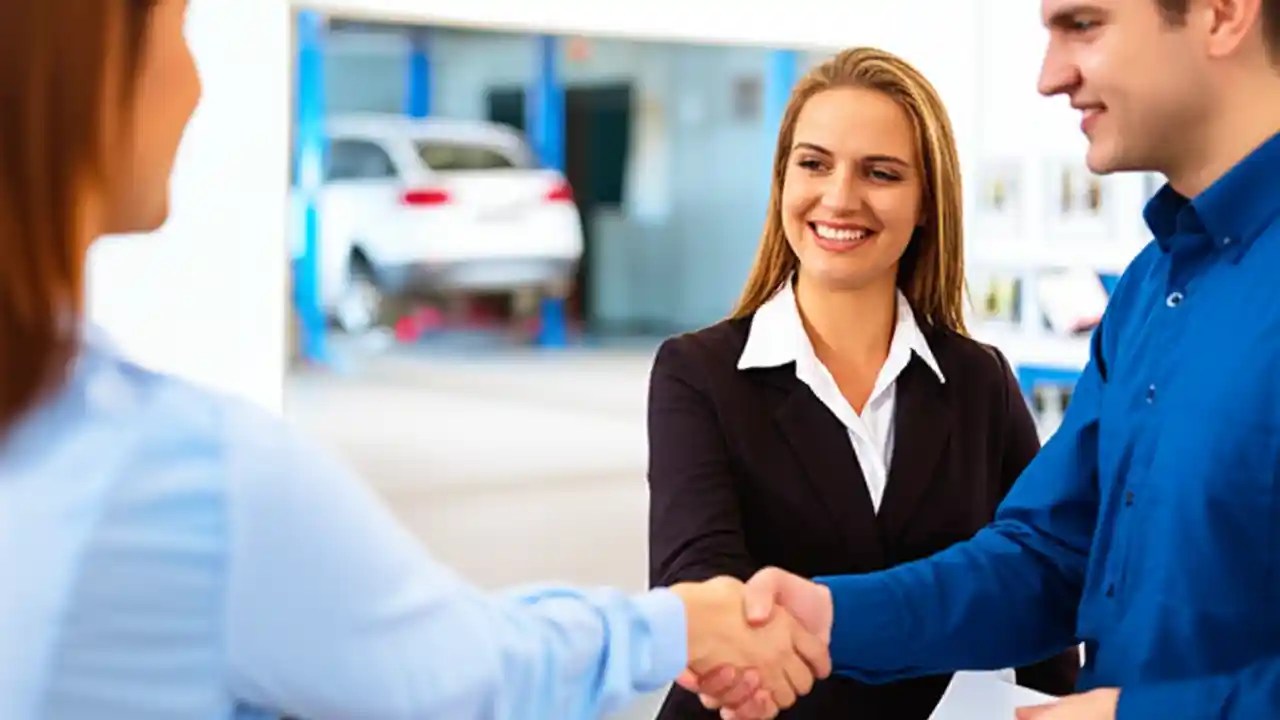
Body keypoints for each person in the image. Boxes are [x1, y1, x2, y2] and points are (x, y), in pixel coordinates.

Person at [0, 2, 832, 718]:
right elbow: (458, 677)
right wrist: (681, 627)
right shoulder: (187, 478)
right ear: (83, 65)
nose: (196, 86)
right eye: (178, 28)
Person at [684, 0, 1280, 718]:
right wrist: (829, 617)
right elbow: (1051, 558)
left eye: (1083, 25)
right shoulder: (1152, 291)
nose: (1048, 76)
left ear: (1222, 14)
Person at [645, 46, 1080, 720]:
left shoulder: (979, 381)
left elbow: (1037, 600)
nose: (840, 197)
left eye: (880, 173)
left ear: (927, 202)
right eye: (814, 164)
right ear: (783, 180)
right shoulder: (699, 374)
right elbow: (701, 588)